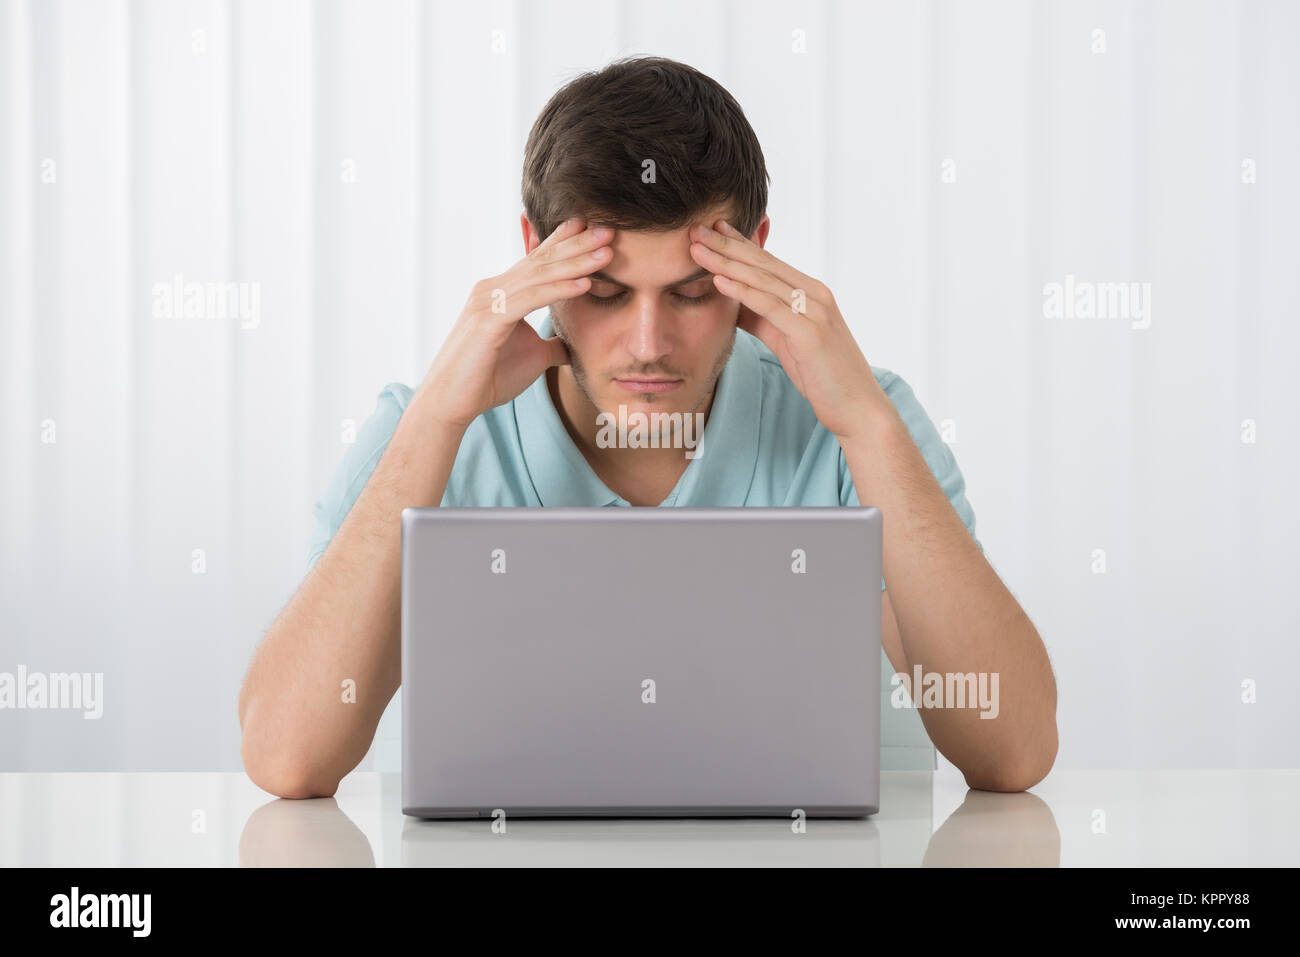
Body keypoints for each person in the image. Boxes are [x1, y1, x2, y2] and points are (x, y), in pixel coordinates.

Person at [238, 56, 1057, 799]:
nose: (648, 344)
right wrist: (433, 427)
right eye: (602, 291)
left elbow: (1011, 752)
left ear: (756, 262)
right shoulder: (426, 431)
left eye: (694, 291)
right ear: (534, 258)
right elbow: (287, 758)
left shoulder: (857, 423)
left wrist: (870, 431)